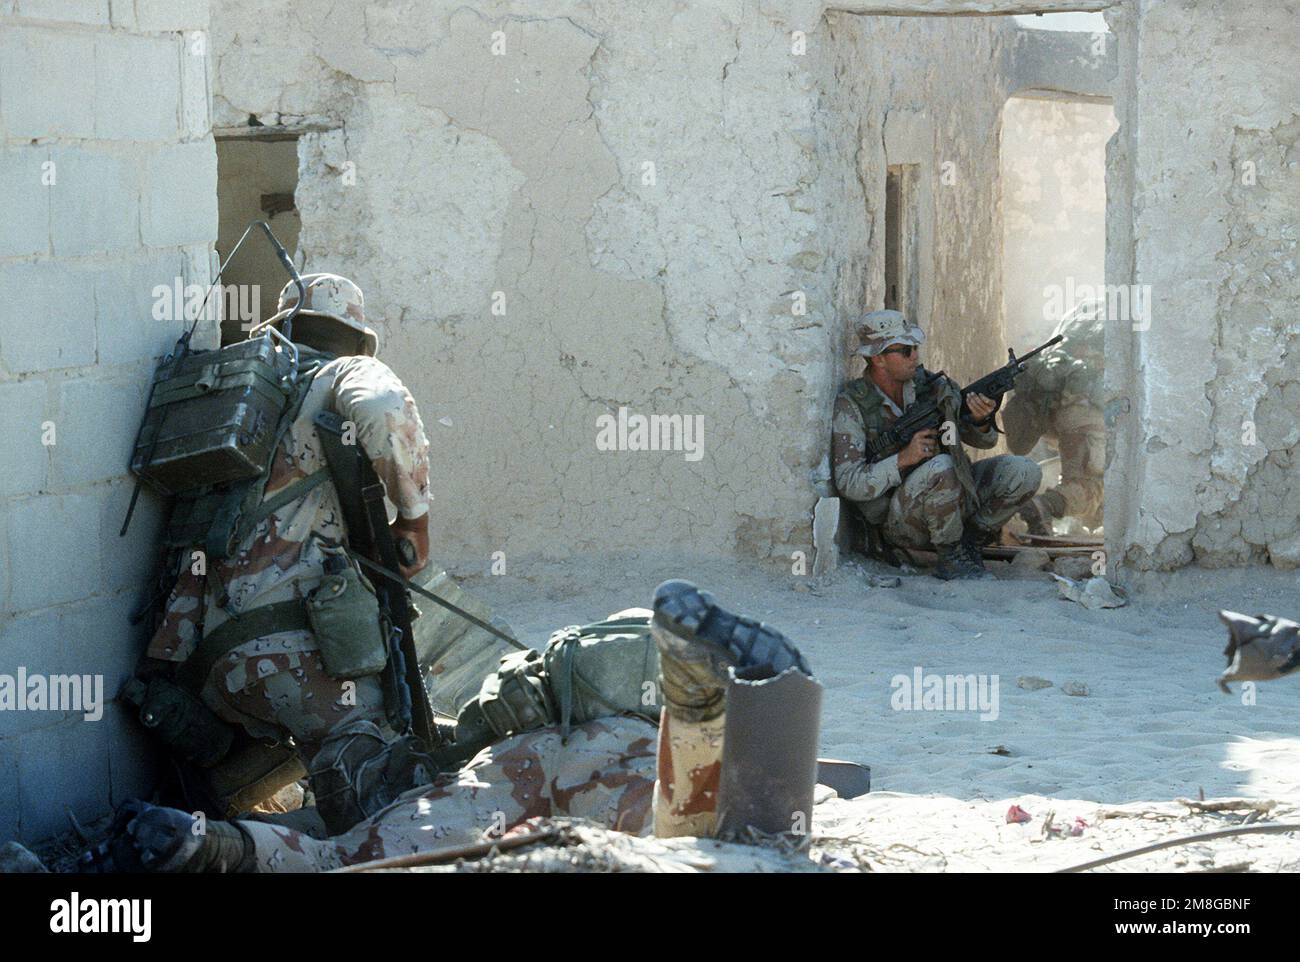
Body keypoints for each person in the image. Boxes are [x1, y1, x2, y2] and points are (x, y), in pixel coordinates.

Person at [84, 580, 817, 873]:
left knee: (714, 837)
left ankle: (702, 704)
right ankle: (703, 699)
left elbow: (326, 859)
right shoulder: (408, 778)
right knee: (717, 835)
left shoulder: (406, 802)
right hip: (615, 748)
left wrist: (215, 841)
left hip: (514, 772)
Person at [133, 273, 436, 832]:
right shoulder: (345, 372)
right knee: (390, 787)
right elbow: (384, 405)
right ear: (355, 338)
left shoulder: (234, 403)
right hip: (292, 656)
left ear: (284, 328)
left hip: (197, 673)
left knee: (296, 744)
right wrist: (414, 518)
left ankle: (209, 824)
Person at [831, 310, 1041, 580]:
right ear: (878, 358)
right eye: (905, 350)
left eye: (915, 347)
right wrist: (903, 459)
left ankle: (970, 543)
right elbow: (848, 482)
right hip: (904, 520)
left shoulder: (932, 387)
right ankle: (950, 556)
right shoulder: (853, 405)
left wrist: (980, 419)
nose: (915, 356)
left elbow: (985, 441)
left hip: (957, 496)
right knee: (941, 466)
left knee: (1024, 471)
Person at [1001, 303, 1105, 535]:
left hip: (1053, 409)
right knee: (1095, 483)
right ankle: (1043, 506)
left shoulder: (1082, 312)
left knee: (1082, 474)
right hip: (1082, 410)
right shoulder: (1119, 319)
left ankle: (1068, 515)